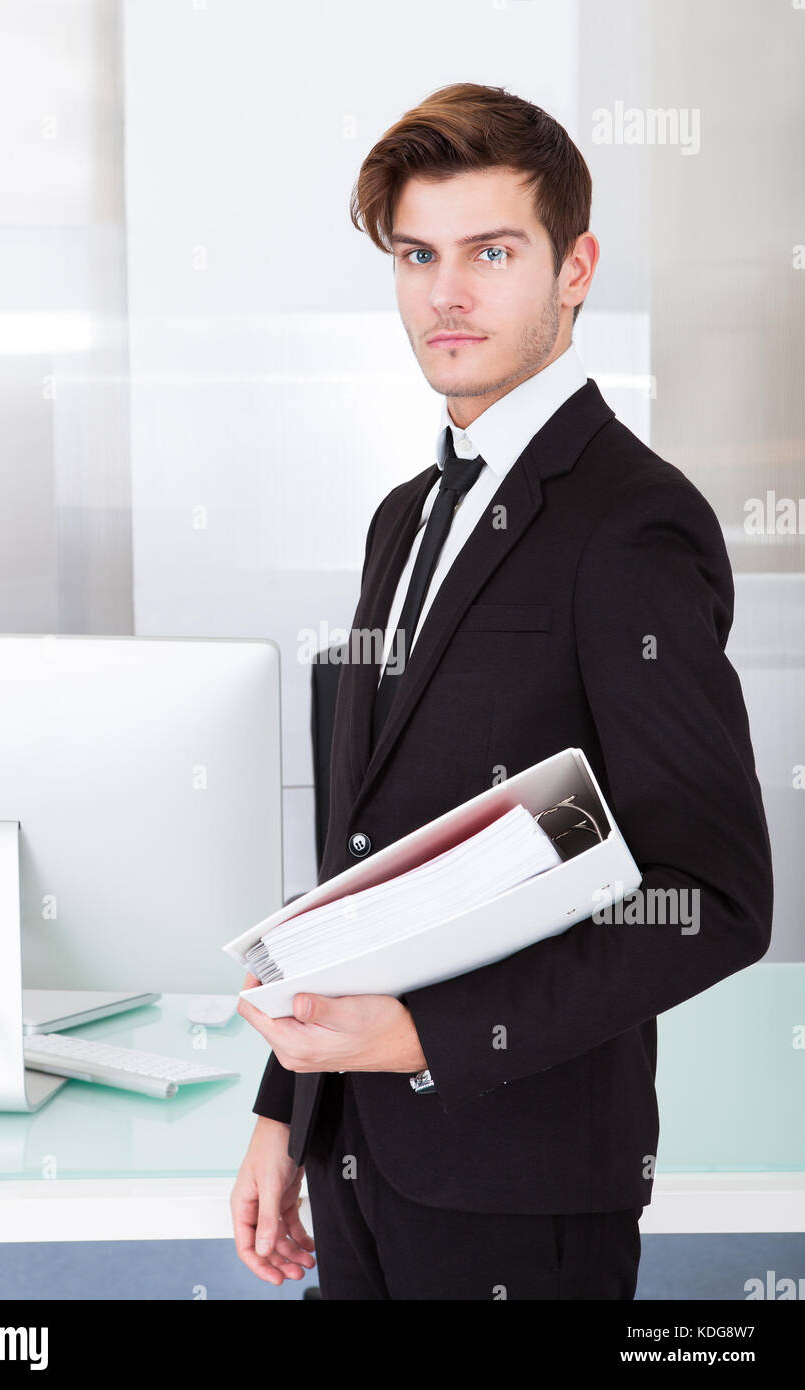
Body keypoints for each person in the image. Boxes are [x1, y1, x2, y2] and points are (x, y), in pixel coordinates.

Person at [230, 82, 773, 1300]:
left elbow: (715, 897)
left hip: (518, 1190)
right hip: (356, 1162)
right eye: (418, 255)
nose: (447, 292)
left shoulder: (633, 524)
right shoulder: (401, 519)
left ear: (572, 267)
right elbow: (357, 860)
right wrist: (286, 1109)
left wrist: (419, 1036)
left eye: (491, 251)